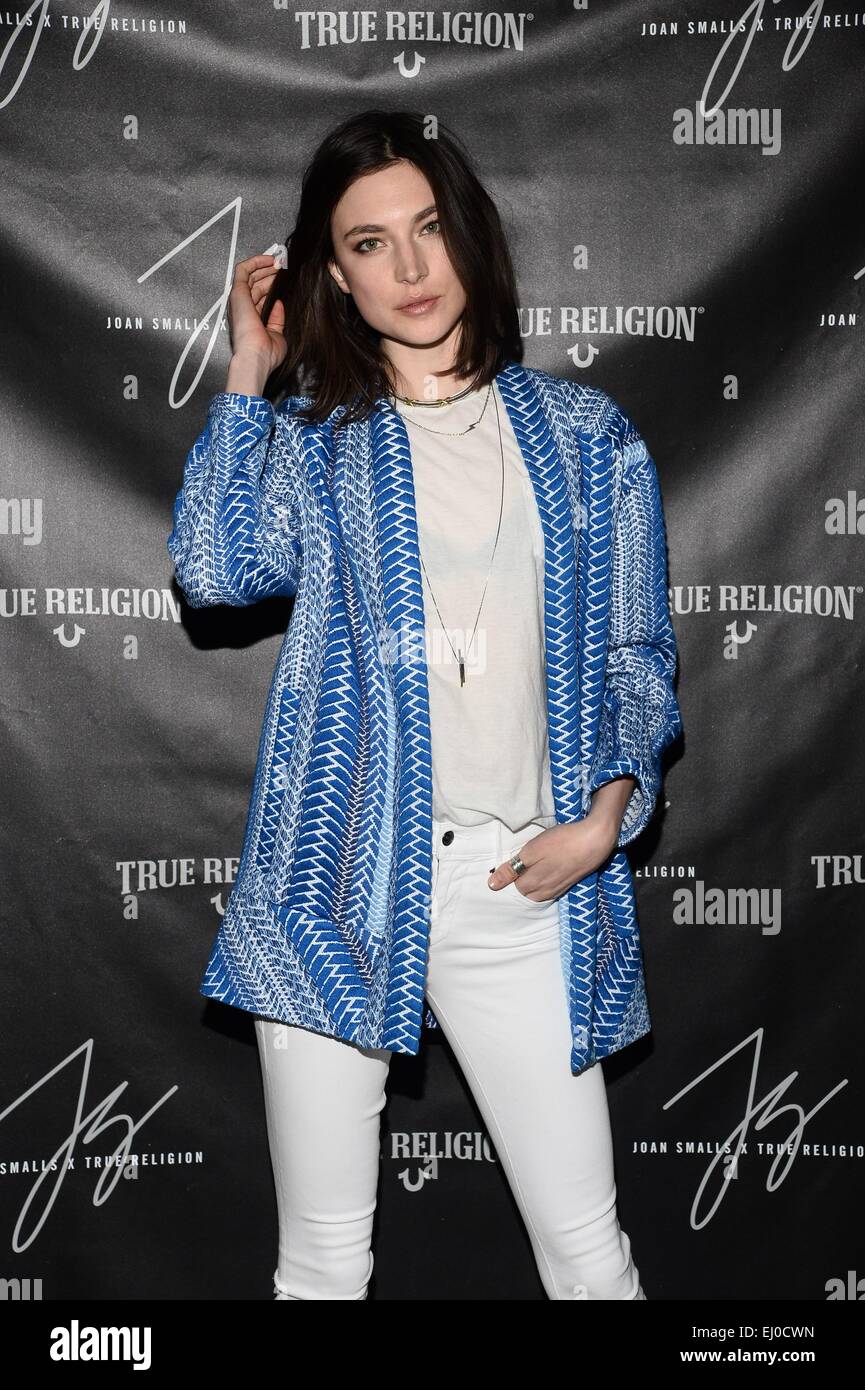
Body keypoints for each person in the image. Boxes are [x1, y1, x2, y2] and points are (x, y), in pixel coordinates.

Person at [167, 109, 683, 1300]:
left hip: (521, 886)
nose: (407, 267)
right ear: (330, 278)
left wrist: (604, 819)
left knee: (589, 1258)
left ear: (470, 237)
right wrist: (249, 365)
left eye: (428, 228)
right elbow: (213, 569)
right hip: (337, 886)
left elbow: (633, 653)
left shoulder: (586, 438)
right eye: (365, 245)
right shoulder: (315, 443)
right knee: (322, 1269)